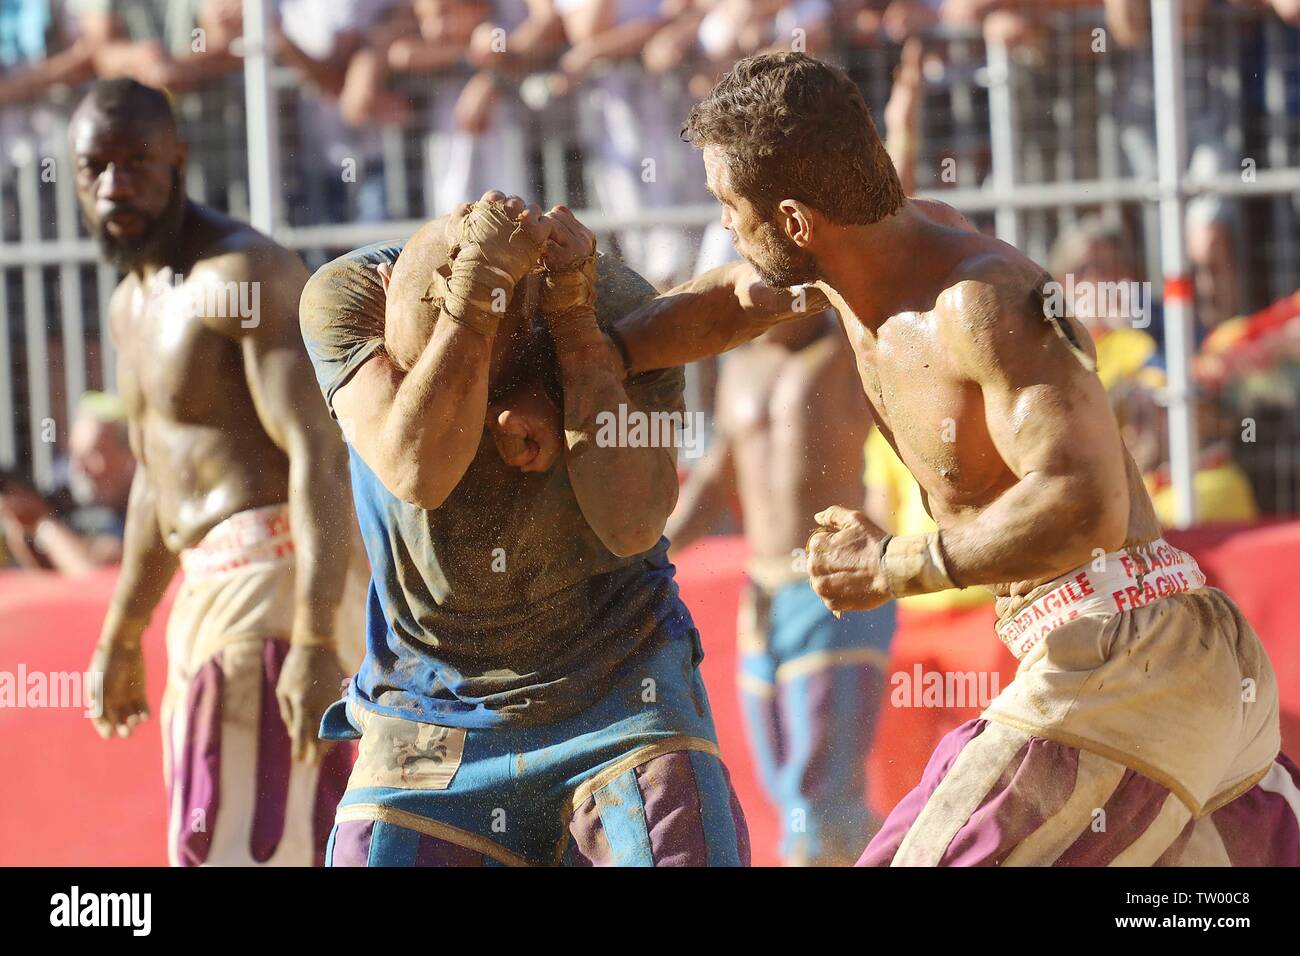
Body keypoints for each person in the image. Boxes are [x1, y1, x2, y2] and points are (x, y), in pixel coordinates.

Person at [613, 52, 1300, 866]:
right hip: (1137, 668)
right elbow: (725, 301)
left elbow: (1086, 502)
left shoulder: (980, 302)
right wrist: (596, 354)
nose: (724, 225)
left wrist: (895, 564)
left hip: (1131, 663)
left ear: (796, 222)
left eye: (729, 205)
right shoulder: (843, 270)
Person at [298, 192, 761, 866]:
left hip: (618, 679)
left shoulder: (605, 301)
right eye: (431, 374)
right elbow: (418, 469)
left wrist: (576, 339)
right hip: (429, 703)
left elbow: (636, 523)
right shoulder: (350, 295)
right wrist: (474, 300)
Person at [72, 79, 368, 866]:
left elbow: (320, 453)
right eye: (94, 167)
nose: (115, 185)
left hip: (277, 589)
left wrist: (311, 642)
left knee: (254, 846)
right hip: (210, 599)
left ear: (179, 159)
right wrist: (123, 632)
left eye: (136, 162)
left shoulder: (244, 272)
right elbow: (156, 480)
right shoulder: (130, 303)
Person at [666, 308, 896, 866]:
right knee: (789, 790)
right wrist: (649, 556)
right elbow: (718, 475)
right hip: (763, 597)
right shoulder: (741, 363)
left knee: (815, 793)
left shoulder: (847, 344)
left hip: (835, 590)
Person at [0, 391, 136, 574]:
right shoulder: (94, 510)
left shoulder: (146, 511)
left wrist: (44, 523)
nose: (79, 469)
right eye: (75, 455)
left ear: (132, 454)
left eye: (92, 454)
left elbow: (94, 579)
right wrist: (24, 531)